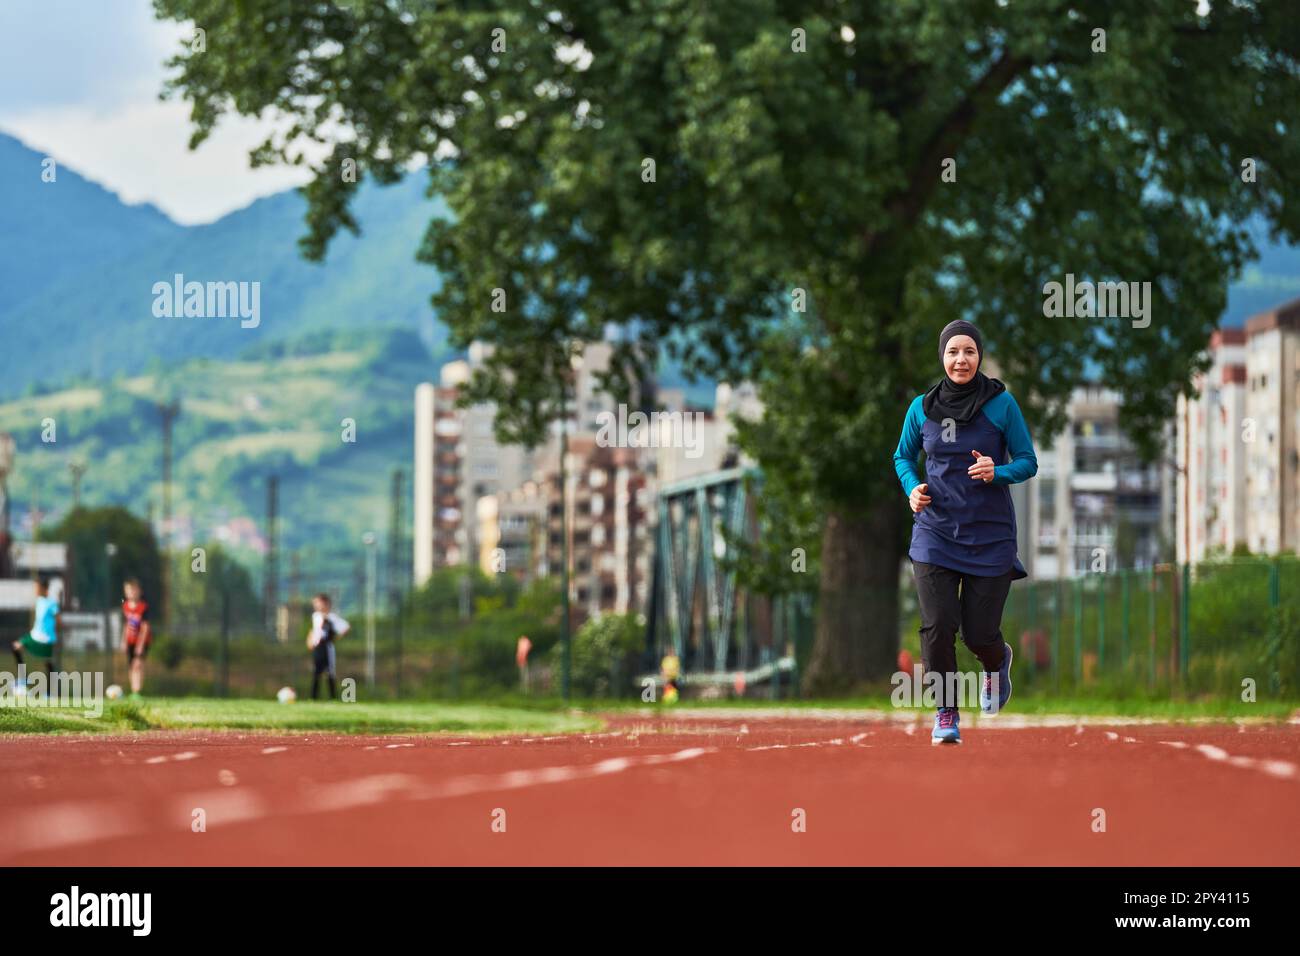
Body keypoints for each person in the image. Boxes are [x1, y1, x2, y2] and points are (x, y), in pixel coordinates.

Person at [892, 320, 1038, 744]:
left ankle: (996, 664)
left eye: (969, 351)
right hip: (934, 532)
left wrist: (999, 471)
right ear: (943, 356)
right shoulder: (921, 407)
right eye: (953, 351)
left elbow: (1028, 461)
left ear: (980, 357)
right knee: (937, 626)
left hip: (989, 536)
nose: (961, 359)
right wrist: (911, 488)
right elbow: (903, 457)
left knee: (979, 634)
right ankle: (945, 711)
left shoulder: (1002, 405)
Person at [11, 577, 58, 688]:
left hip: (45, 638)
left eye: (37, 588)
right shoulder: (39, 601)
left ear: (43, 588)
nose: (35, 590)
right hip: (35, 635)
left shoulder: (52, 603)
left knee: (48, 662)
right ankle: (24, 679)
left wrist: (56, 632)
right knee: (16, 647)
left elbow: (58, 620)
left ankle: (50, 692)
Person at [306, 593, 350, 700]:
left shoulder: (332, 618)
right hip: (318, 648)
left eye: (318, 603)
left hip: (327, 648)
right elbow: (314, 630)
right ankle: (313, 698)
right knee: (316, 672)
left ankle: (333, 697)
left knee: (329, 672)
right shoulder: (316, 616)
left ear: (326, 604)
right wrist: (310, 640)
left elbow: (346, 627)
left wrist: (333, 639)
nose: (316, 605)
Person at [121, 579, 151, 701]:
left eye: (134, 590)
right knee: (131, 665)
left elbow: (145, 627)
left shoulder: (143, 607)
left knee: (137, 665)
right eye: (128, 590)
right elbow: (126, 625)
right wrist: (123, 641)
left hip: (142, 641)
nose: (131, 593)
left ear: (139, 591)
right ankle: (133, 691)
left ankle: (137, 691)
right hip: (130, 641)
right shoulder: (125, 606)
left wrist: (140, 645)